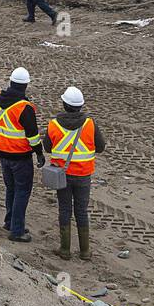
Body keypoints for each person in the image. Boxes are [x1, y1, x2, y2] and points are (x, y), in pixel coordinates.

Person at [43, 86, 106, 261]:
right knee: (81, 211)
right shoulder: (90, 124)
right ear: (80, 106)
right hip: (83, 175)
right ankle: (85, 251)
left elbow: (47, 147)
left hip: (62, 175)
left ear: (64, 104)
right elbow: (100, 147)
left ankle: (65, 250)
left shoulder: (54, 124)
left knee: (65, 210)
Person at [0, 67, 46, 243]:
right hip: (20, 156)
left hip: (2, 152)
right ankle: (16, 230)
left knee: (11, 188)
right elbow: (32, 136)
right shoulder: (25, 108)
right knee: (22, 191)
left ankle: (10, 222)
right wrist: (39, 154)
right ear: (25, 85)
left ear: (11, 82)